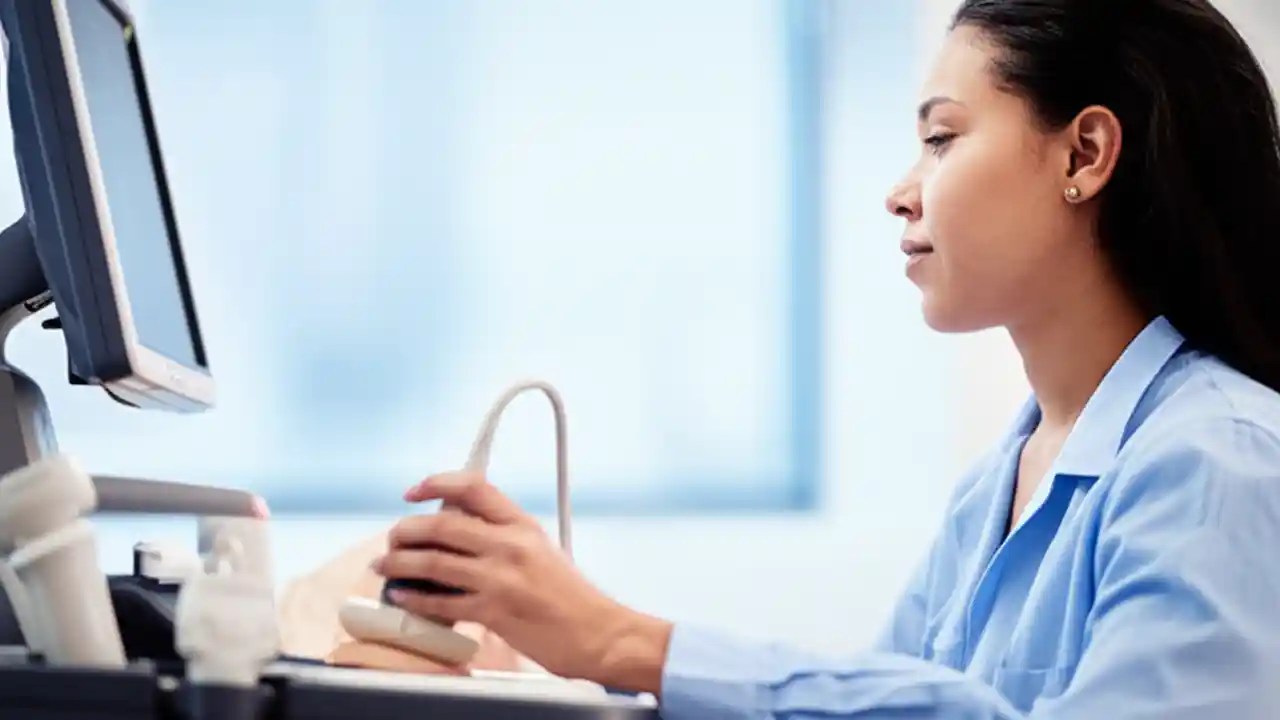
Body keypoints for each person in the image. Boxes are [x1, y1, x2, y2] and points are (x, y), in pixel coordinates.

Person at [369, 0, 1280, 716]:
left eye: (941, 139)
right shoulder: (996, 488)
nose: (901, 193)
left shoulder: (1217, 461)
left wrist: (624, 643)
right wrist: (556, 653)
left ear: (1084, 153)